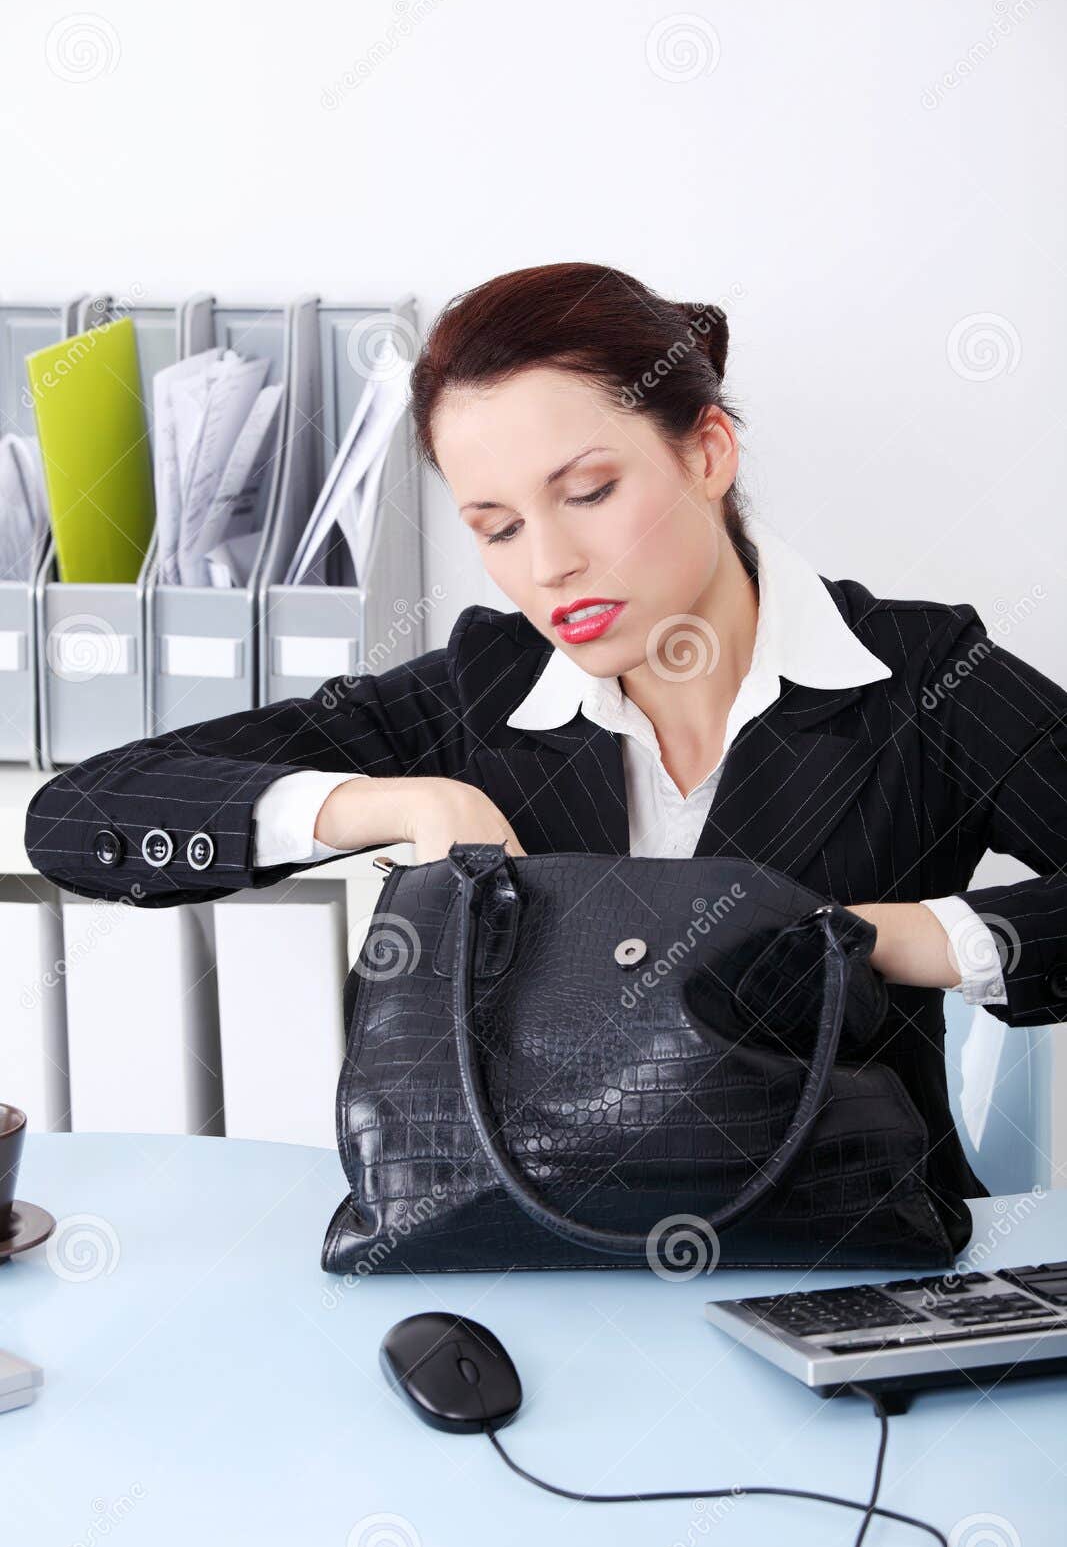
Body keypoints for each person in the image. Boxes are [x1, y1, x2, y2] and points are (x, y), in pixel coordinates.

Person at [24, 261, 1067, 1215]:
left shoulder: (917, 678)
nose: (551, 564)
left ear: (705, 451)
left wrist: (859, 942)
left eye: (587, 493)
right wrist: (402, 804)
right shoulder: (481, 696)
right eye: (498, 527)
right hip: (526, 1248)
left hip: (846, 1248)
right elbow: (81, 813)